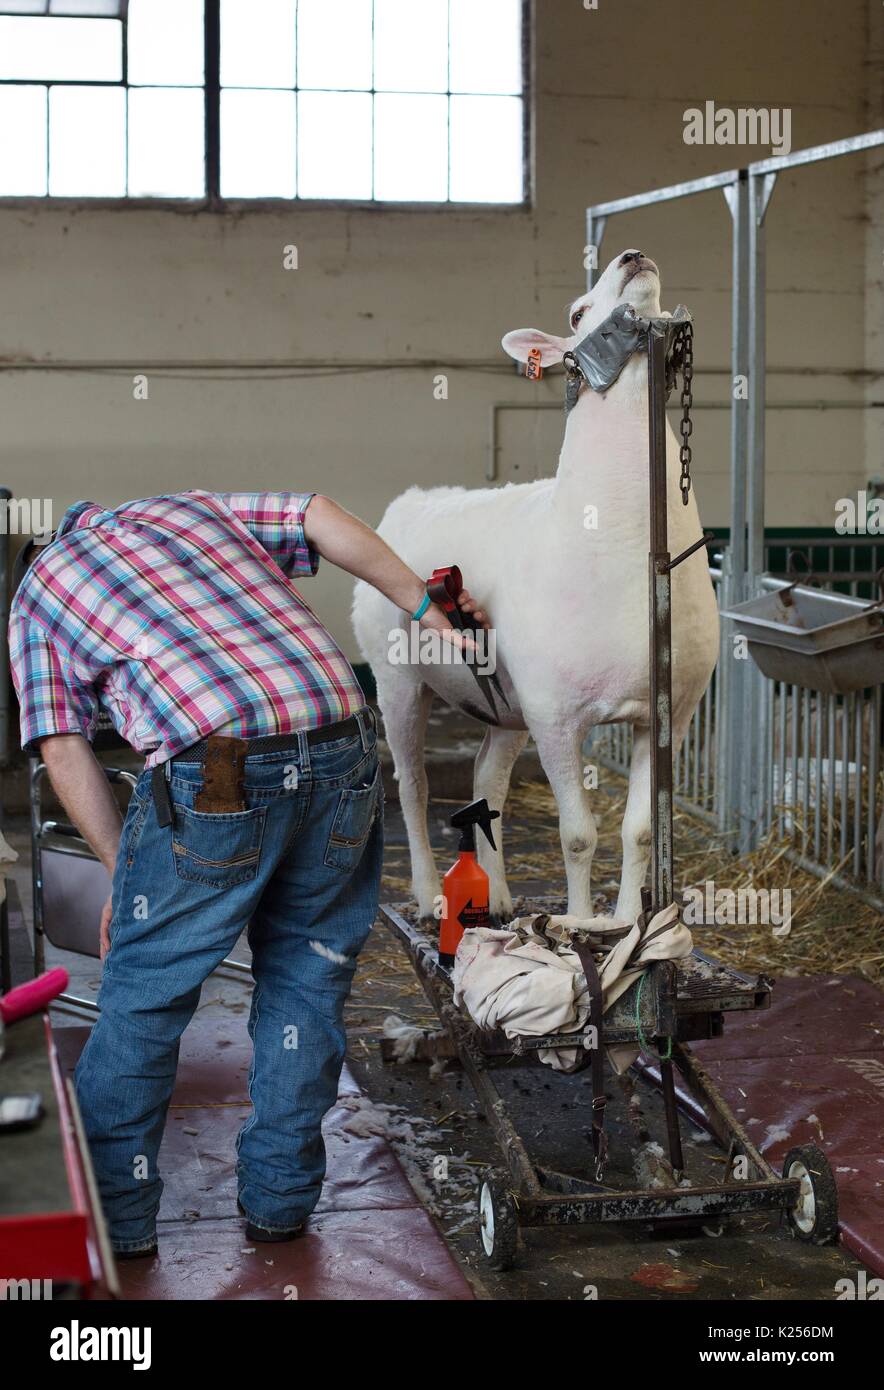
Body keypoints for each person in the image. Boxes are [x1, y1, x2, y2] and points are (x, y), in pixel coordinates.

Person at [9, 489, 485, 1258]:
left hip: (222, 763)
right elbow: (320, 514)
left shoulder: (35, 598)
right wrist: (429, 606)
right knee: (308, 977)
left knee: (144, 997)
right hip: (340, 739)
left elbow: (64, 750)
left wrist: (117, 874)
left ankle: (121, 1227)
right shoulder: (184, 507)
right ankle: (280, 1205)